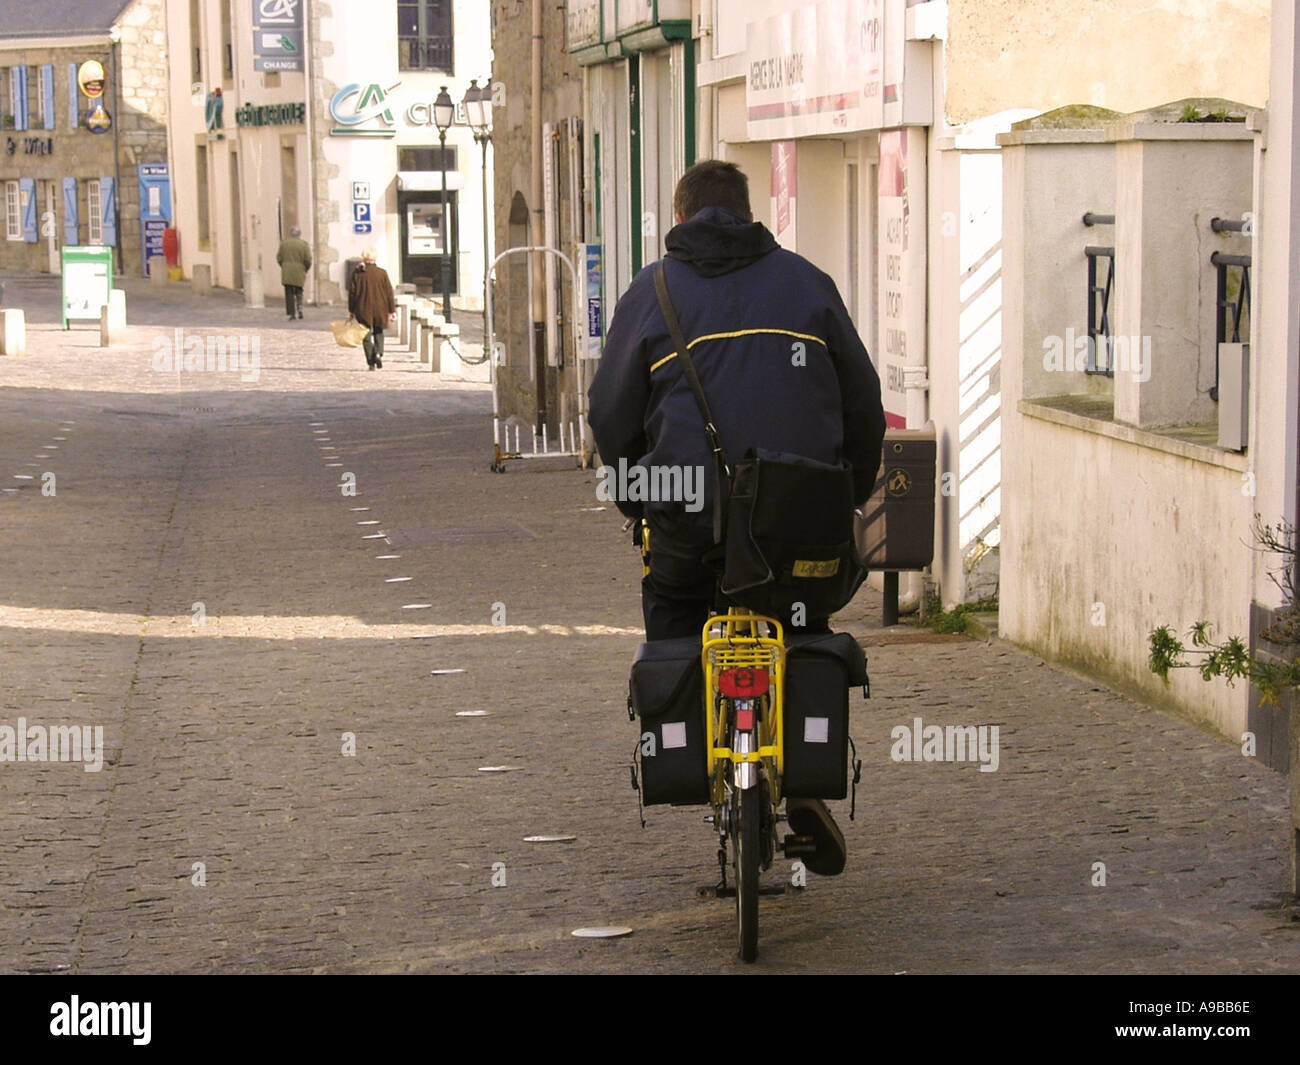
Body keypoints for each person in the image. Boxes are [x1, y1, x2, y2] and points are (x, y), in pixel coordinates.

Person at [587, 159, 886, 876]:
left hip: (688, 518)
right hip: (797, 527)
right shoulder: (810, 287)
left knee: (675, 608)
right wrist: (847, 494)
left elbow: (609, 415)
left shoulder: (652, 294)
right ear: (753, 213)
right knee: (802, 618)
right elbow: (864, 402)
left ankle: (690, 749)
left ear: (682, 216)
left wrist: (638, 498)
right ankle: (801, 768)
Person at [347, 247, 396, 370]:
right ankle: (379, 352)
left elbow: (352, 293)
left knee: (366, 335)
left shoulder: (357, 274)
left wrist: (351, 310)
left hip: (363, 308)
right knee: (379, 331)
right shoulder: (382, 273)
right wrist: (392, 310)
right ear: (375, 258)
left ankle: (371, 362)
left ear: (364, 258)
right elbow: (389, 293)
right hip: (380, 308)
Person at [276, 225, 311, 319]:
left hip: (287, 271)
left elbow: (279, 258)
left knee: (289, 293)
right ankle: (300, 308)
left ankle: (291, 313)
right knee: (299, 290)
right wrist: (305, 269)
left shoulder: (284, 244)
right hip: (300, 270)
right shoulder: (303, 244)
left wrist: (284, 266)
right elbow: (308, 259)